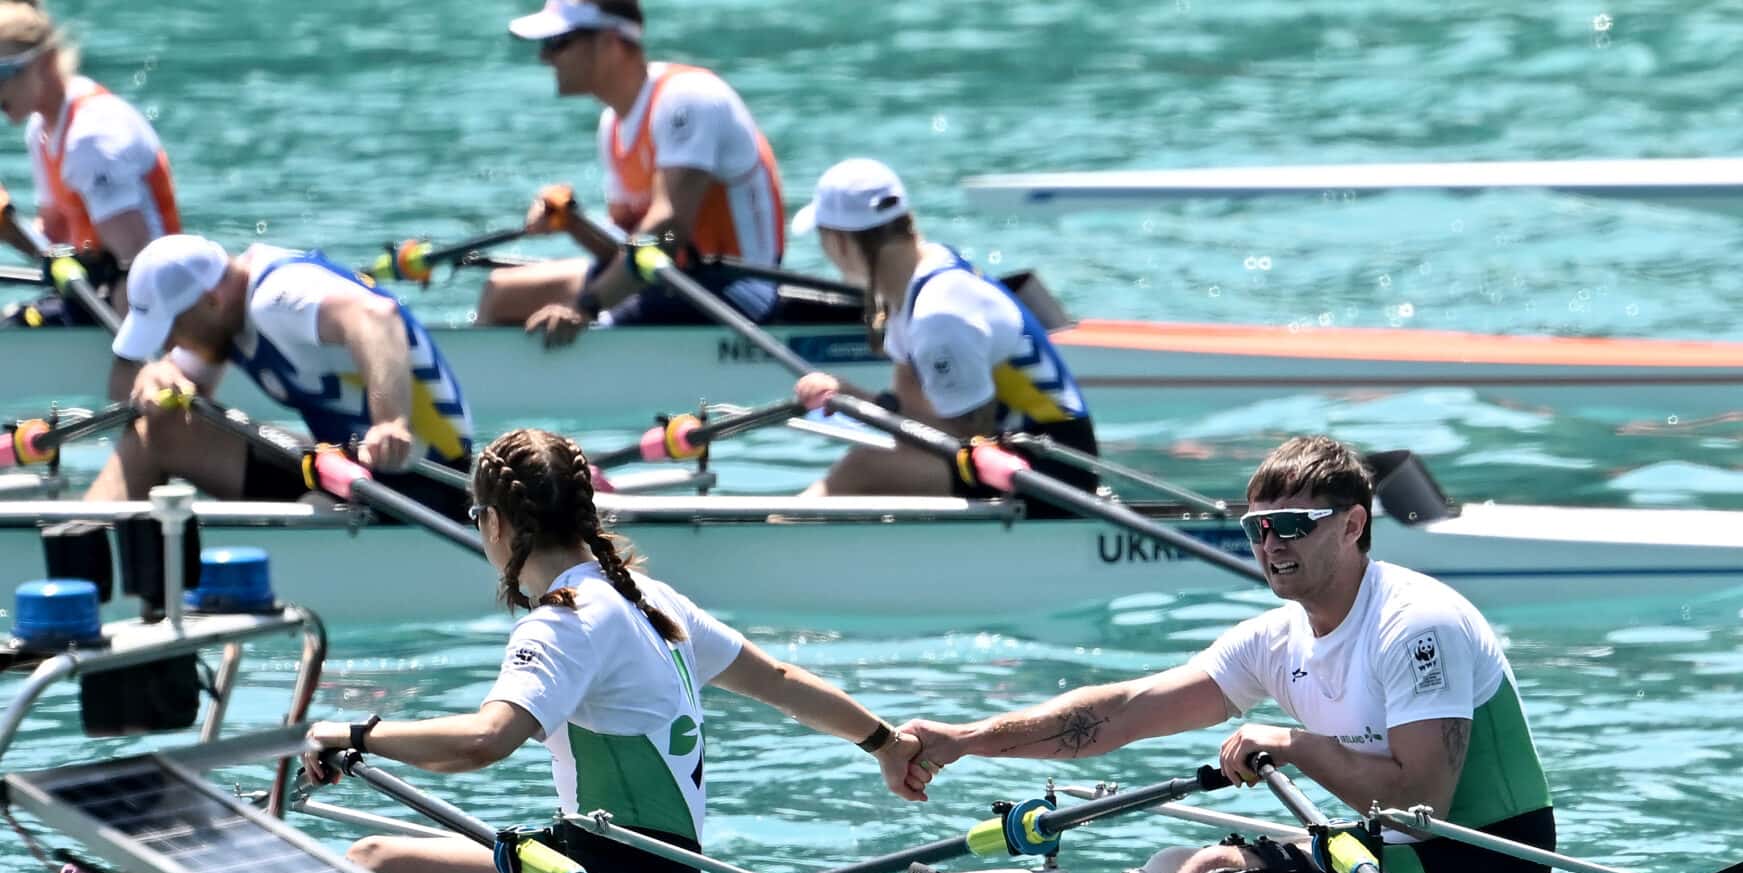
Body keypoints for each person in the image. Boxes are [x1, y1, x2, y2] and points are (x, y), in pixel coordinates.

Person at [901, 435, 1556, 873]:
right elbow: (1122, 711)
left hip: (1483, 865)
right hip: (1394, 852)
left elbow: (1423, 802)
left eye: (1293, 526)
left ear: (1353, 525)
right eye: (1257, 528)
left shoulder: (1417, 625)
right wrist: (966, 739)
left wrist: (1296, 745)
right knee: (1165, 866)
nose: (1271, 544)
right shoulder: (1275, 639)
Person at [305, 428, 925, 873]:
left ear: (495, 523)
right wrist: (885, 743)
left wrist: (354, 733)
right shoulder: (650, 600)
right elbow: (782, 681)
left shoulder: (563, 622)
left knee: (375, 859)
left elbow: (480, 742)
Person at [784, 159, 1101, 510]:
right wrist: (848, 396)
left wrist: (857, 402)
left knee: (862, 470)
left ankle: (771, 533)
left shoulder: (939, 315)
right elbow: (913, 418)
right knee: (874, 464)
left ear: (841, 242)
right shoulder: (918, 275)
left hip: (1052, 474)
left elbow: (964, 438)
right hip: (1000, 454)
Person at [91, 232, 472, 511]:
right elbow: (175, 390)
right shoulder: (225, 313)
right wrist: (155, 376)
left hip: (426, 479)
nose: (171, 343)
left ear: (211, 300)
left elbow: (376, 317)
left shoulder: (275, 296)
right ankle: (87, 538)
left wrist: (390, 421)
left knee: (314, 506)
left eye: (172, 330)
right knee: (159, 431)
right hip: (346, 468)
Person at [478, 0, 784, 346]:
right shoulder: (613, 125)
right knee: (499, 291)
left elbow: (668, 230)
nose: (545, 57)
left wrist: (587, 306)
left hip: (737, 288)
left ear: (609, 42)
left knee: (605, 320)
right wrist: (574, 223)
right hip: (669, 282)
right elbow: (624, 251)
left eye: (557, 42)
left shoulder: (687, 98)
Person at [0, 1, 181, 395]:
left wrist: (134, 370)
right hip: (100, 290)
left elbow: (136, 266)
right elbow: (54, 241)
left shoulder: (91, 136)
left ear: (45, 62)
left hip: (152, 300)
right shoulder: (42, 128)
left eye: (2, 74)